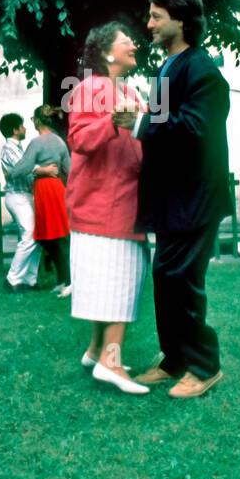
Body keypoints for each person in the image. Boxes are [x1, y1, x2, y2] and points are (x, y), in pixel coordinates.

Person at [114, 0, 231, 399]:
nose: (148, 24)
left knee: (182, 278)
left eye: (156, 16)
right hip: (172, 198)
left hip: (196, 198)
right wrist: (143, 119)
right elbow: (165, 128)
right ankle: (175, 359)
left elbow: (197, 129)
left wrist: (142, 124)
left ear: (181, 20)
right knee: (166, 276)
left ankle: (204, 365)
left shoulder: (202, 69)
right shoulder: (167, 68)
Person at [67, 24, 149, 395]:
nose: (134, 43)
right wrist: (110, 121)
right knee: (120, 282)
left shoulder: (130, 91)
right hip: (105, 203)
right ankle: (110, 363)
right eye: (124, 40)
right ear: (106, 53)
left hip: (121, 201)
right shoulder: (90, 88)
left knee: (109, 283)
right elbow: (79, 139)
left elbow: (145, 138)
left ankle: (95, 350)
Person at [7, 106, 71, 296]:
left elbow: (22, 167)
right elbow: (69, 168)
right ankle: (63, 280)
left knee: (51, 237)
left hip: (45, 190)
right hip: (57, 188)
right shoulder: (59, 142)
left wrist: (9, 173)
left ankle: (68, 281)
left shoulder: (36, 143)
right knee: (51, 236)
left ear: (37, 121)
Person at [0, 114, 41, 293]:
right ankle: (12, 279)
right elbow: (23, 168)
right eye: (22, 126)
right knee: (30, 235)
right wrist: (44, 169)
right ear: (15, 130)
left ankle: (30, 280)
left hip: (26, 195)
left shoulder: (19, 148)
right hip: (18, 196)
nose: (25, 128)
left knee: (37, 236)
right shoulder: (9, 147)